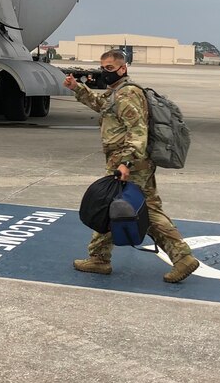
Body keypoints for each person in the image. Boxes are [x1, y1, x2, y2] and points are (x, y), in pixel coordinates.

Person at [64, 50, 200, 283]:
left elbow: (137, 131)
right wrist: (78, 88)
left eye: (109, 68)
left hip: (130, 164)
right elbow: (102, 106)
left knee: (132, 210)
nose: (104, 72)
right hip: (132, 162)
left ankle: (181, 257)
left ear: (122, 69)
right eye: (102, 68)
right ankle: (100, 257)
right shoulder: (117, 93)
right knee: (128, 207)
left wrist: (125, 163)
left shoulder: (127, 94)